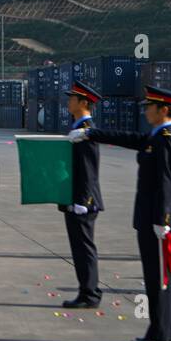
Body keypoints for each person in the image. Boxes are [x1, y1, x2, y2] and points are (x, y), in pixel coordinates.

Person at [69, 85, 171, 341]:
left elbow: (167, 182)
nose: (146, 112)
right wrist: (91, 133)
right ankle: (159, 330)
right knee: (154, 277)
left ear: (163, 110)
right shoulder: (154, 136)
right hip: (149, 218)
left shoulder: (166, 138)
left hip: (157, 221)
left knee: (159, 278)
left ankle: (162, 333)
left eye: (149, 107)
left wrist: (162, 220)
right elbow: (129, 138)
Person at [59, 81, 103, 308]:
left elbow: (88, 169)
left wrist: (83, 200)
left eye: (72, 98)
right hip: (74, 198)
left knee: (84, 248)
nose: (69, 101)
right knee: (78, 248)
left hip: (83, 201)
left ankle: (90, 294)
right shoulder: (78, 127)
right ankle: (85, 290)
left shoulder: (86, 130)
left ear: (83, 103)